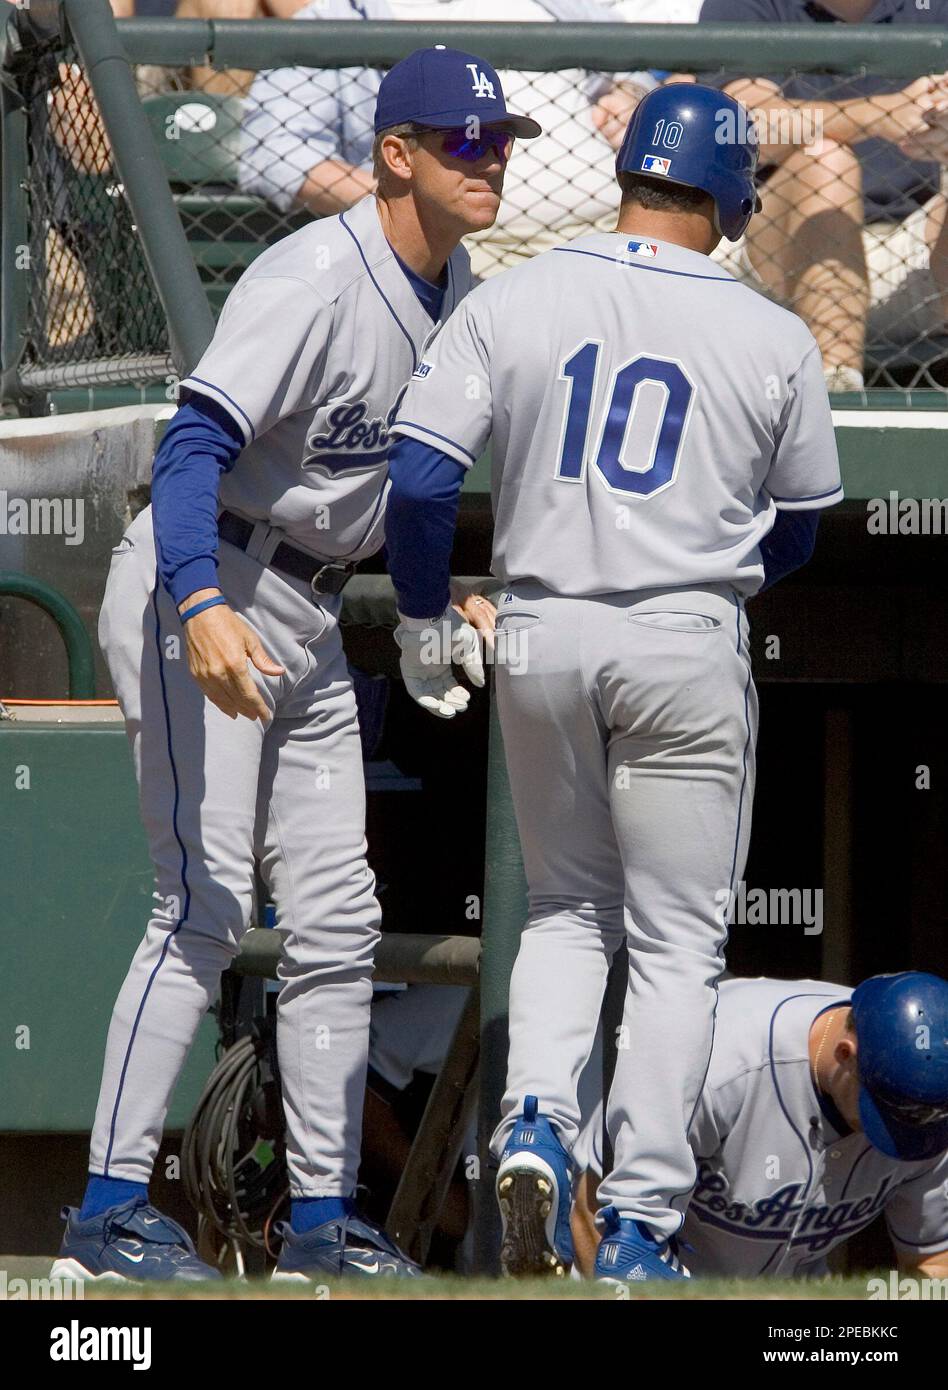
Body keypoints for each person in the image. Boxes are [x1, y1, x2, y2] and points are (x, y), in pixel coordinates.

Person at [50, 46, 533, 1285]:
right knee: (203, 903)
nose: (493, 161)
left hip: (310, 610)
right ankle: (105, 1213)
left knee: (335, 920)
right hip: (203, 569)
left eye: (503, 141)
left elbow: (421, 484)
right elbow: (191, 442)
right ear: (395, 154)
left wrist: (426, 612)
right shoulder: (316, 273)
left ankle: (319, 1220)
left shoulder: (457, 276)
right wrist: (202, 605)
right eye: (464, 142)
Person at [382, 82, 843, 1282]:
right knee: (679, 946)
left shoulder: (519, 293)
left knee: (566, 910)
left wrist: (428, 616)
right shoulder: (773, 332)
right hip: (683, 638)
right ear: (734, 200)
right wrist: (708, 574)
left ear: (630, 175)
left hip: (539, 629)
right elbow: (797, 533)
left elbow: (424, 484)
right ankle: (638, 1222)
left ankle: (534, 1118)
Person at [570, 973, 948, 1281]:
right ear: (845, 1055)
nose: (902, 1133)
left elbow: (933, 1262)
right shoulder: (717, 1063)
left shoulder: (931, 1109)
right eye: (886, 1115)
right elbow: (592, 1212)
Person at [237, 0, 656, 275]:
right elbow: (272, 151)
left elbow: (641, 67)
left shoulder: (560, 5)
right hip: (471, 251)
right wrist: (413, 201)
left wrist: (627, 93)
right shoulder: (341, 18)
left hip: (614, 229)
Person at [699, 0, 948, 391]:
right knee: (826, 159)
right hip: (782, 253)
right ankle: (836, 393)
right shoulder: (751, 5)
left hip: (917, 250)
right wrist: (877, 115)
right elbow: (740, 129)